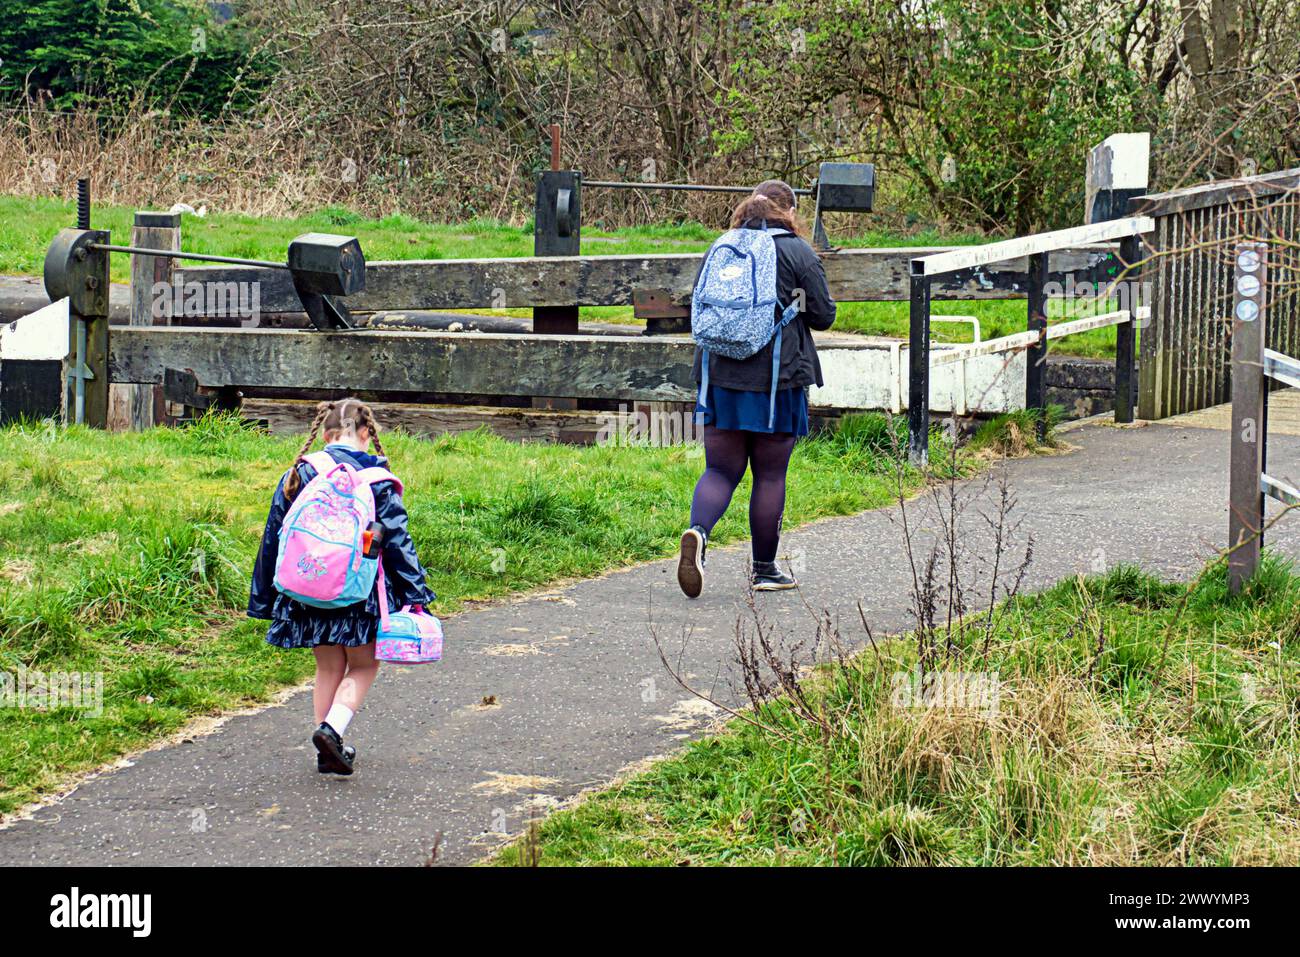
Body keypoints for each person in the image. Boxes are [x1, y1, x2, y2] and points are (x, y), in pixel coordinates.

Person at [248, 398, 435, 775]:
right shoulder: (377, 481)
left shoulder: (301, 473)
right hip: (358, 592)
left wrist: (265, 595)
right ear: (366, 433)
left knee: (328, 666)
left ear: (327, 435)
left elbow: (273, 536)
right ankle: (331, 731)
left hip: (307, 587)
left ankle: (324, 748)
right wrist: (416, 594)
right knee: (364, 665)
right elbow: (398, 542)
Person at [677, 180, 836, 598]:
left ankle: (697, 531)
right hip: (775, 383)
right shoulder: (798, 251)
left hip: (719, 378)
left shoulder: (722, 246)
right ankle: (765, 570)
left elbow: (698, 302)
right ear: (790, 211)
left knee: (719, 470)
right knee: (769, 476)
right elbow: (823, 315)